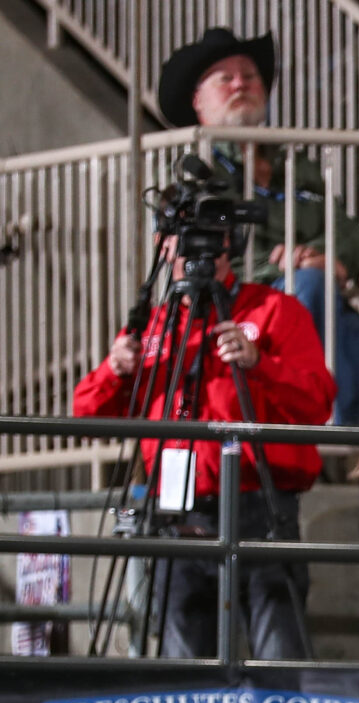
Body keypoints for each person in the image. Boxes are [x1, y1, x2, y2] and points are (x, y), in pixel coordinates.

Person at [160, 28, 359, 485]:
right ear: (198, 102)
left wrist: (331, 259)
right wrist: (287, 267)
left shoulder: (298, 164)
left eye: (250, 76)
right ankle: (338, 447)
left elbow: (349, 232)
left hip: (331, 317)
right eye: (225, 78)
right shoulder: (190, 173)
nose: (241, 85)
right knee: (307, 287)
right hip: (252, 327)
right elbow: (200, 257)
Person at [72, 248, 336, 660]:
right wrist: (114, 369)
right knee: (184, 668)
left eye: (205, 240)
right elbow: (87, 412)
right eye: (176, 241)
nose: (190, 253)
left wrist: (258, 363)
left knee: (280, 656)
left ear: (230, 243)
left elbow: (318, 403)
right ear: (159, 244)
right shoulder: (154, 324)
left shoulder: (274, 309)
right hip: (178, 513)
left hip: (259, 507)